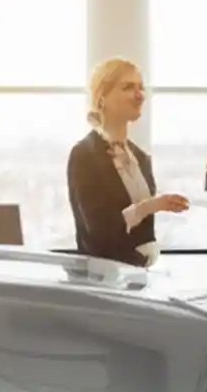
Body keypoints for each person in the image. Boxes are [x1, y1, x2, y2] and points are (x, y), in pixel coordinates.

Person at [67, 57, 188, 267]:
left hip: (140, 276)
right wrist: (151, 205)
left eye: (141, 87)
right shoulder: (84, 155)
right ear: (101, 98)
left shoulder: (141, 158)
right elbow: (98, 232)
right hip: (102, 281)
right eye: (128, 87)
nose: (140, 95)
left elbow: (143, 234)